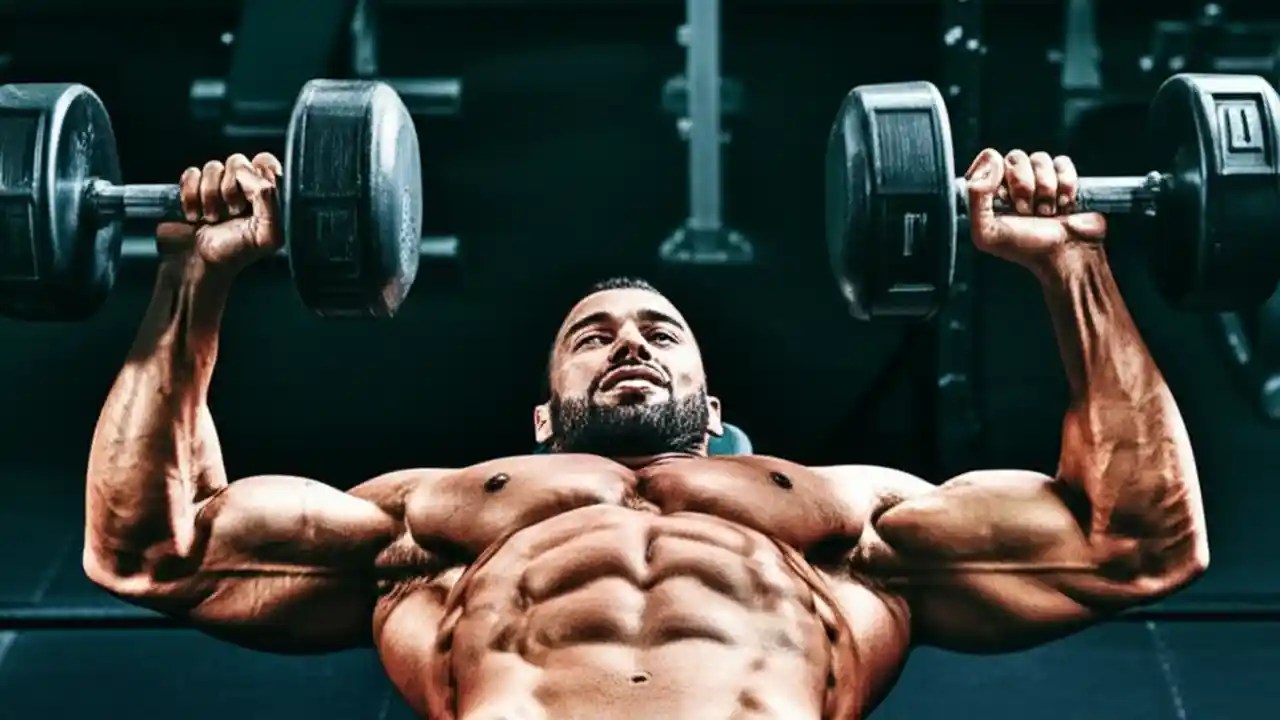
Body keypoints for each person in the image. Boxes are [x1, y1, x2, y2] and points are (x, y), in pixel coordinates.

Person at [82, 148, 1208, 720]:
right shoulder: (426, 517)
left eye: (660, 330)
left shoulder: (844, 514)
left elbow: (1141, 542)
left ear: (713, 407)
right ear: (539, 418)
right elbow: (151, 546)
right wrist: (195, 270)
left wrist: (1070, 261)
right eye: (593, 334)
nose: (629, 342)